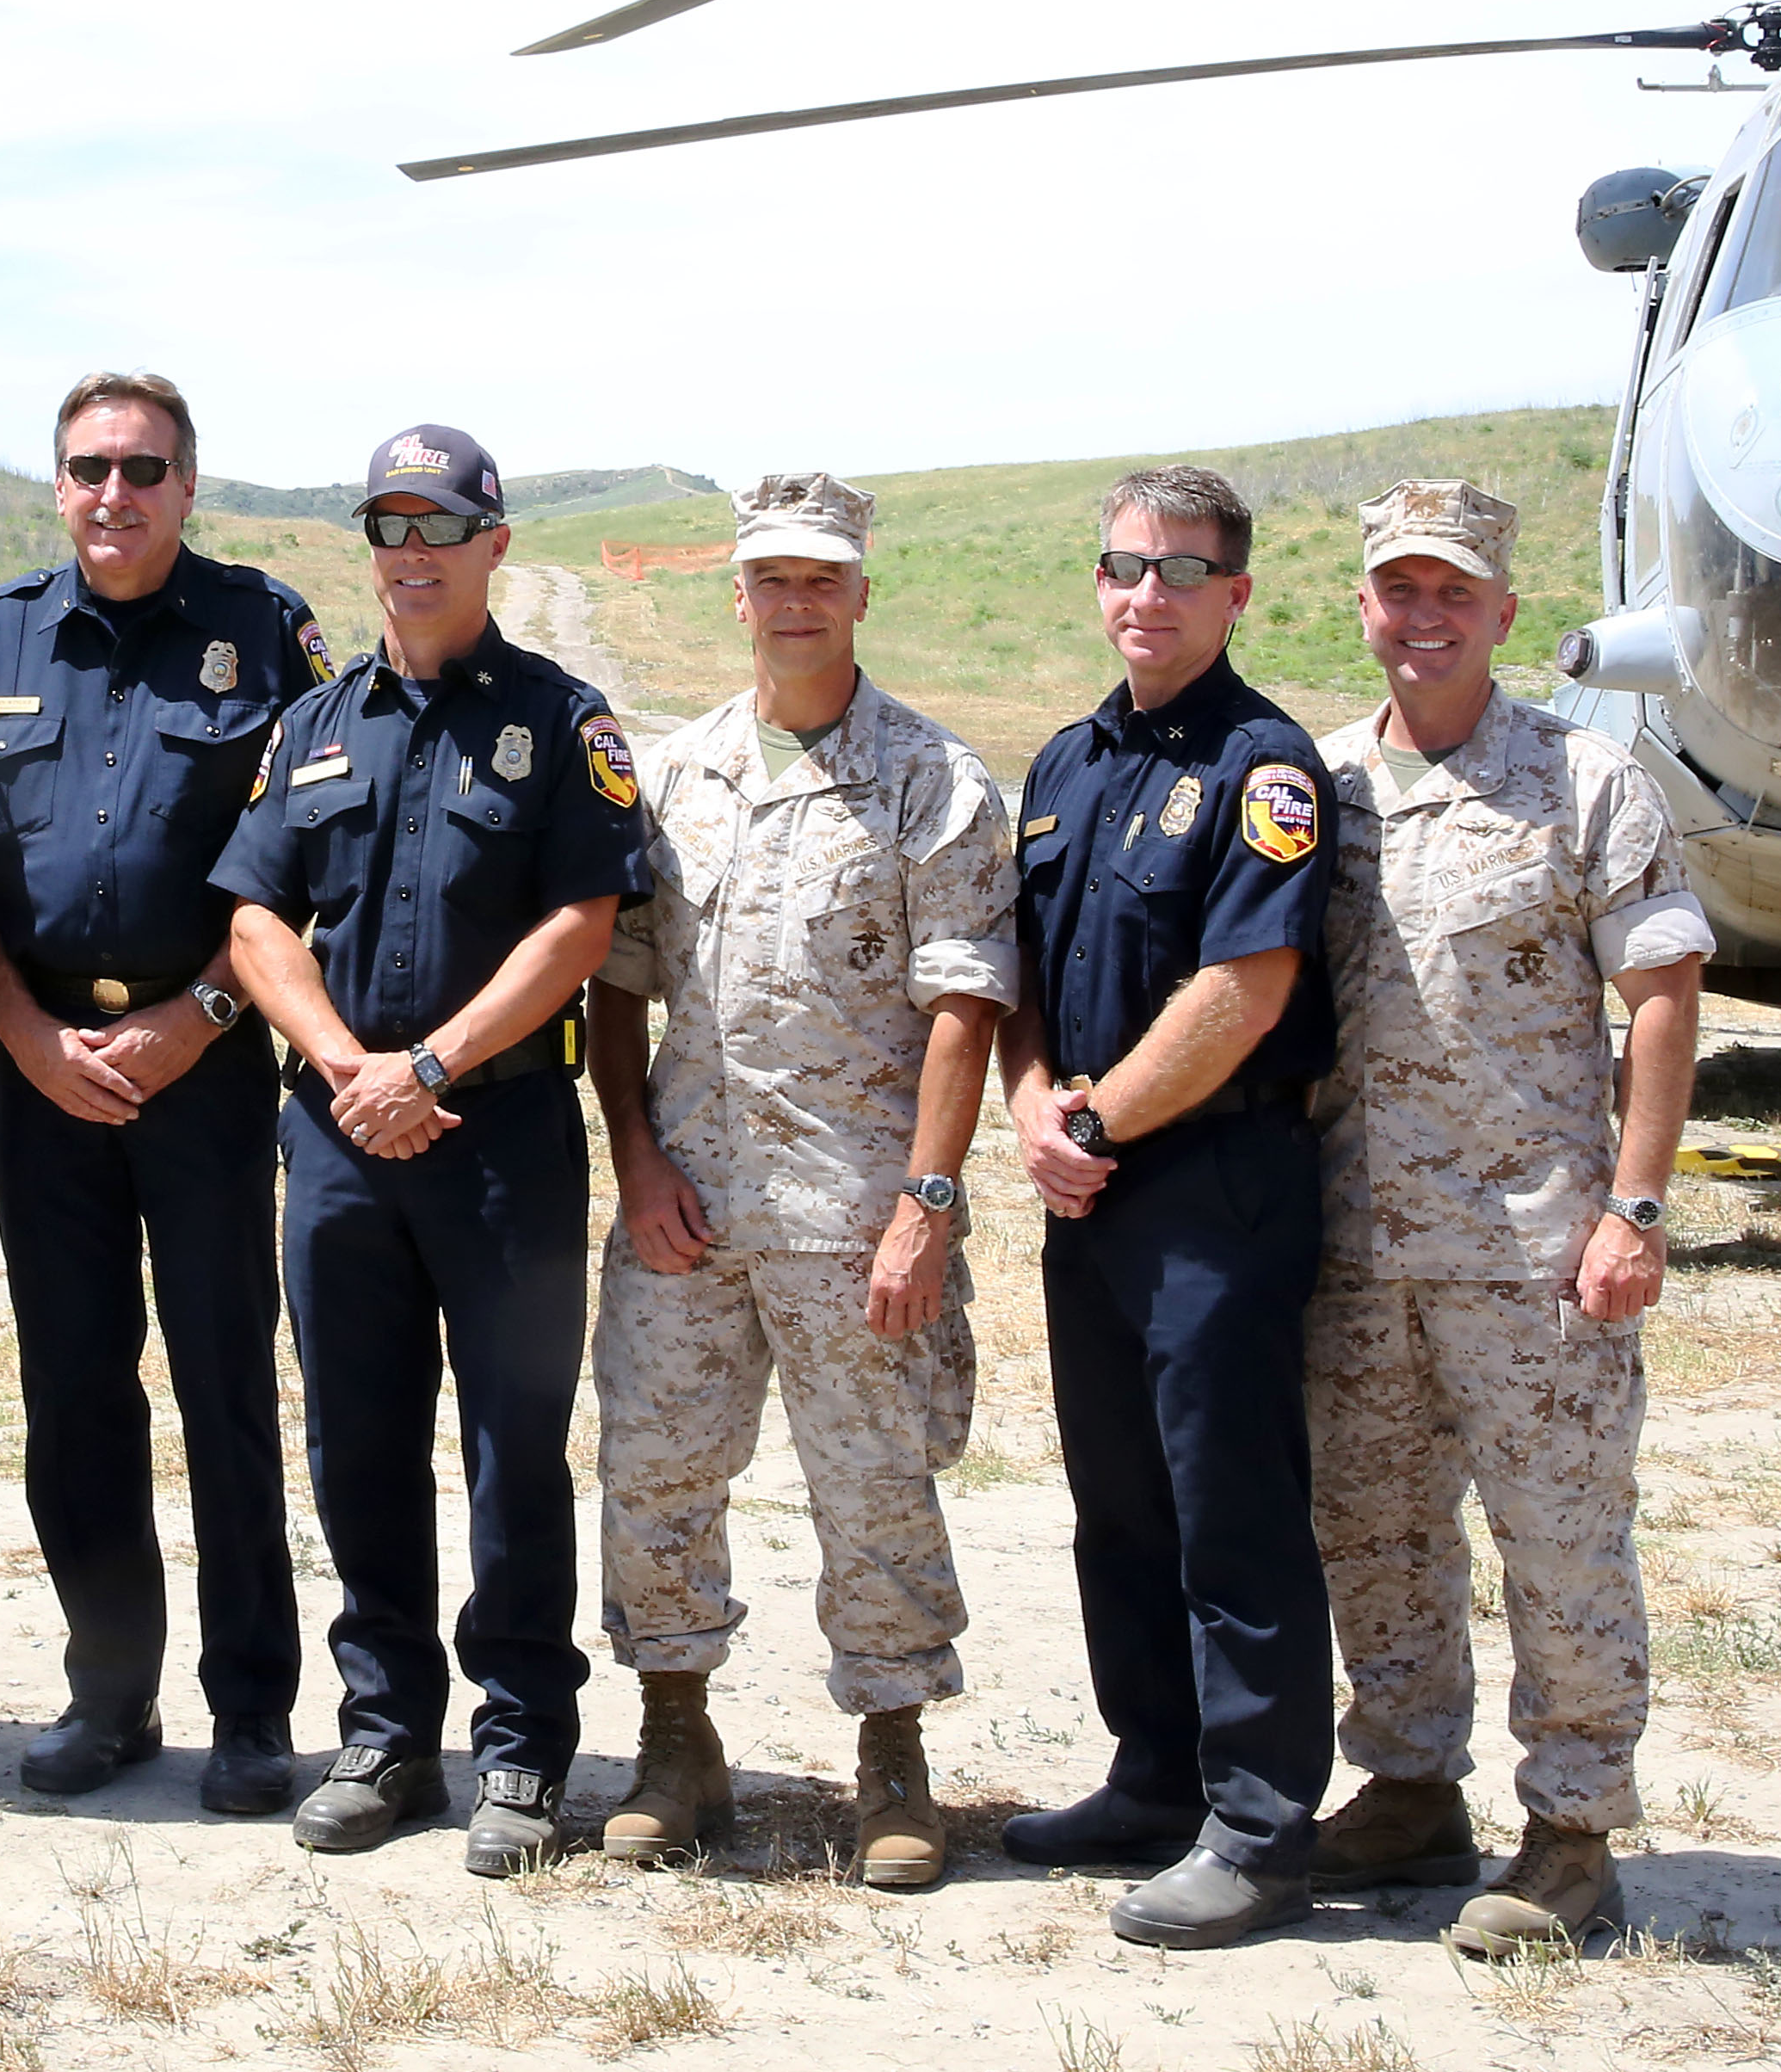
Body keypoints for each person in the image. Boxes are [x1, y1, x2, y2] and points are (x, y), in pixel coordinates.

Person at [213, 425, 644, 1871]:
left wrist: (435, 1063)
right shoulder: (318, 721)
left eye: (439, 529)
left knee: (514, 1447)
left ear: (493, 547)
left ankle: (522, 1748)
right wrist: (347, 1067)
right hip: (341, 1137)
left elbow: (583, 924)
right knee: (357, 1444)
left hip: (502, 1130)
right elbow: (258, 918)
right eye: (389, 528)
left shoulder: (562, 722)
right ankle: (387, 1730)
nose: (412, 554)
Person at [583, 472, 1015, 1892]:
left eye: (821, 579)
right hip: (687, 1203)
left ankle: (891, 1756)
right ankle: (675, 1738)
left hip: (855, 1208)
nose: (794, 603)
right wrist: (635, 1156)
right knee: (655, 1466)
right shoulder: (676, 772)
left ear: (861, 594)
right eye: (771, 579)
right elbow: (622, 985)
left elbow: (966, 1005)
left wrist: (926, 1204)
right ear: (739, 594)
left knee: (876, 1482)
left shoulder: (934, 781)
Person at [1301, 479, 1710, 1957]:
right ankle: (1410, 1788)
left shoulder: (1583, 781)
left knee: (1561, 1541)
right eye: (1399, 591)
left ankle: (1575, 1828)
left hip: (1536, 1250)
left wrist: (1636, 1209)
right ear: (1363, 607)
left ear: (1503, 617)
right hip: (1357, 1247)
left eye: (1453, 596)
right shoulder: (1320, 790)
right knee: (1376, 1532)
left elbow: (1662, 997)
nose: (1423, 620)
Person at [0, 371, 331, 1816]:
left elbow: (310, 865)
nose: (117, 493)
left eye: (146, 468)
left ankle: (249, 1715)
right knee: (74, 1392)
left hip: (211, 1075)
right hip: (43, 1075)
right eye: (92, 467)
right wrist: (27, 1032)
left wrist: (206, 1012)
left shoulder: (262, 634)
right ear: (59, 484)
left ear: (189, 485)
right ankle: (107, 1696)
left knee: (227, 1386)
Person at [995, 461, 1341, 1947]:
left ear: (1237, 592)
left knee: (1230, 1509)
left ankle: (1262, 1827)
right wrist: (1030, 1105)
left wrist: (1088, 1117)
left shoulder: (1268, 768)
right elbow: (1016, 976)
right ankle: (1151, 1773)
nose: (1149, 594)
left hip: (1217, 1186)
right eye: (1126, 566)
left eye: (1183, 570)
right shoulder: (1069, 763)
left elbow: (1244, 991)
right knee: (1118, 1503)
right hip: (1090, 1189)